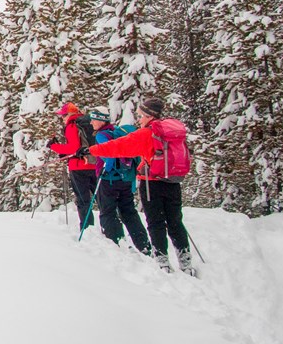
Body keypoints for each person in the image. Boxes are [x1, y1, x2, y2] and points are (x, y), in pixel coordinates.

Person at [79, 97, 194, 274]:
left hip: (152, 183)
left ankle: (162, 261)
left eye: (141, 116)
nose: (139, 119)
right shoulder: (170, 131)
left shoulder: (147, 133)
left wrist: (91, 150)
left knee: (156, 222)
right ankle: (185, 261)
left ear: (149, 115)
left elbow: (119, 147)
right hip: (173, 181)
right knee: (175, 221)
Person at [88, 109, 151, 255]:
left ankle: (115, 243)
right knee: (129, 211)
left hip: (109, 179)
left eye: (93, 119)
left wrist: (105, 169)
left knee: (107, 211)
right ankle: (143, 244)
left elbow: (109, 155)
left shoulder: (102, 136)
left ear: (101, 120)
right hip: (125, 179)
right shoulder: (117, 132)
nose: (91, 122)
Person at [47, 102, 97, 232]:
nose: (62, 118)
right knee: (101, 197)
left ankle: (87, 229)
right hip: (94, 164)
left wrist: (54, 147)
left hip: (78, 166)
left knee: (83, 200)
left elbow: (74, 148)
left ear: (70, 114)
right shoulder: (89, 123)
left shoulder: (72, 125)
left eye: (63, 115)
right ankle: (110, 227)